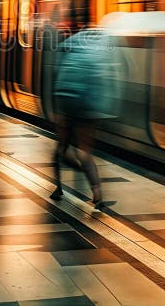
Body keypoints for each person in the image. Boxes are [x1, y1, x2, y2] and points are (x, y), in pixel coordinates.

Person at [50, 26, 115, 210]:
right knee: (85, 152)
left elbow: (57, 73)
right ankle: (97, 195)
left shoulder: (70, 46)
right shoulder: (99, 51)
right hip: (89, 105)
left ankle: (58, 188)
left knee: (61, 148)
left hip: (66, 101)